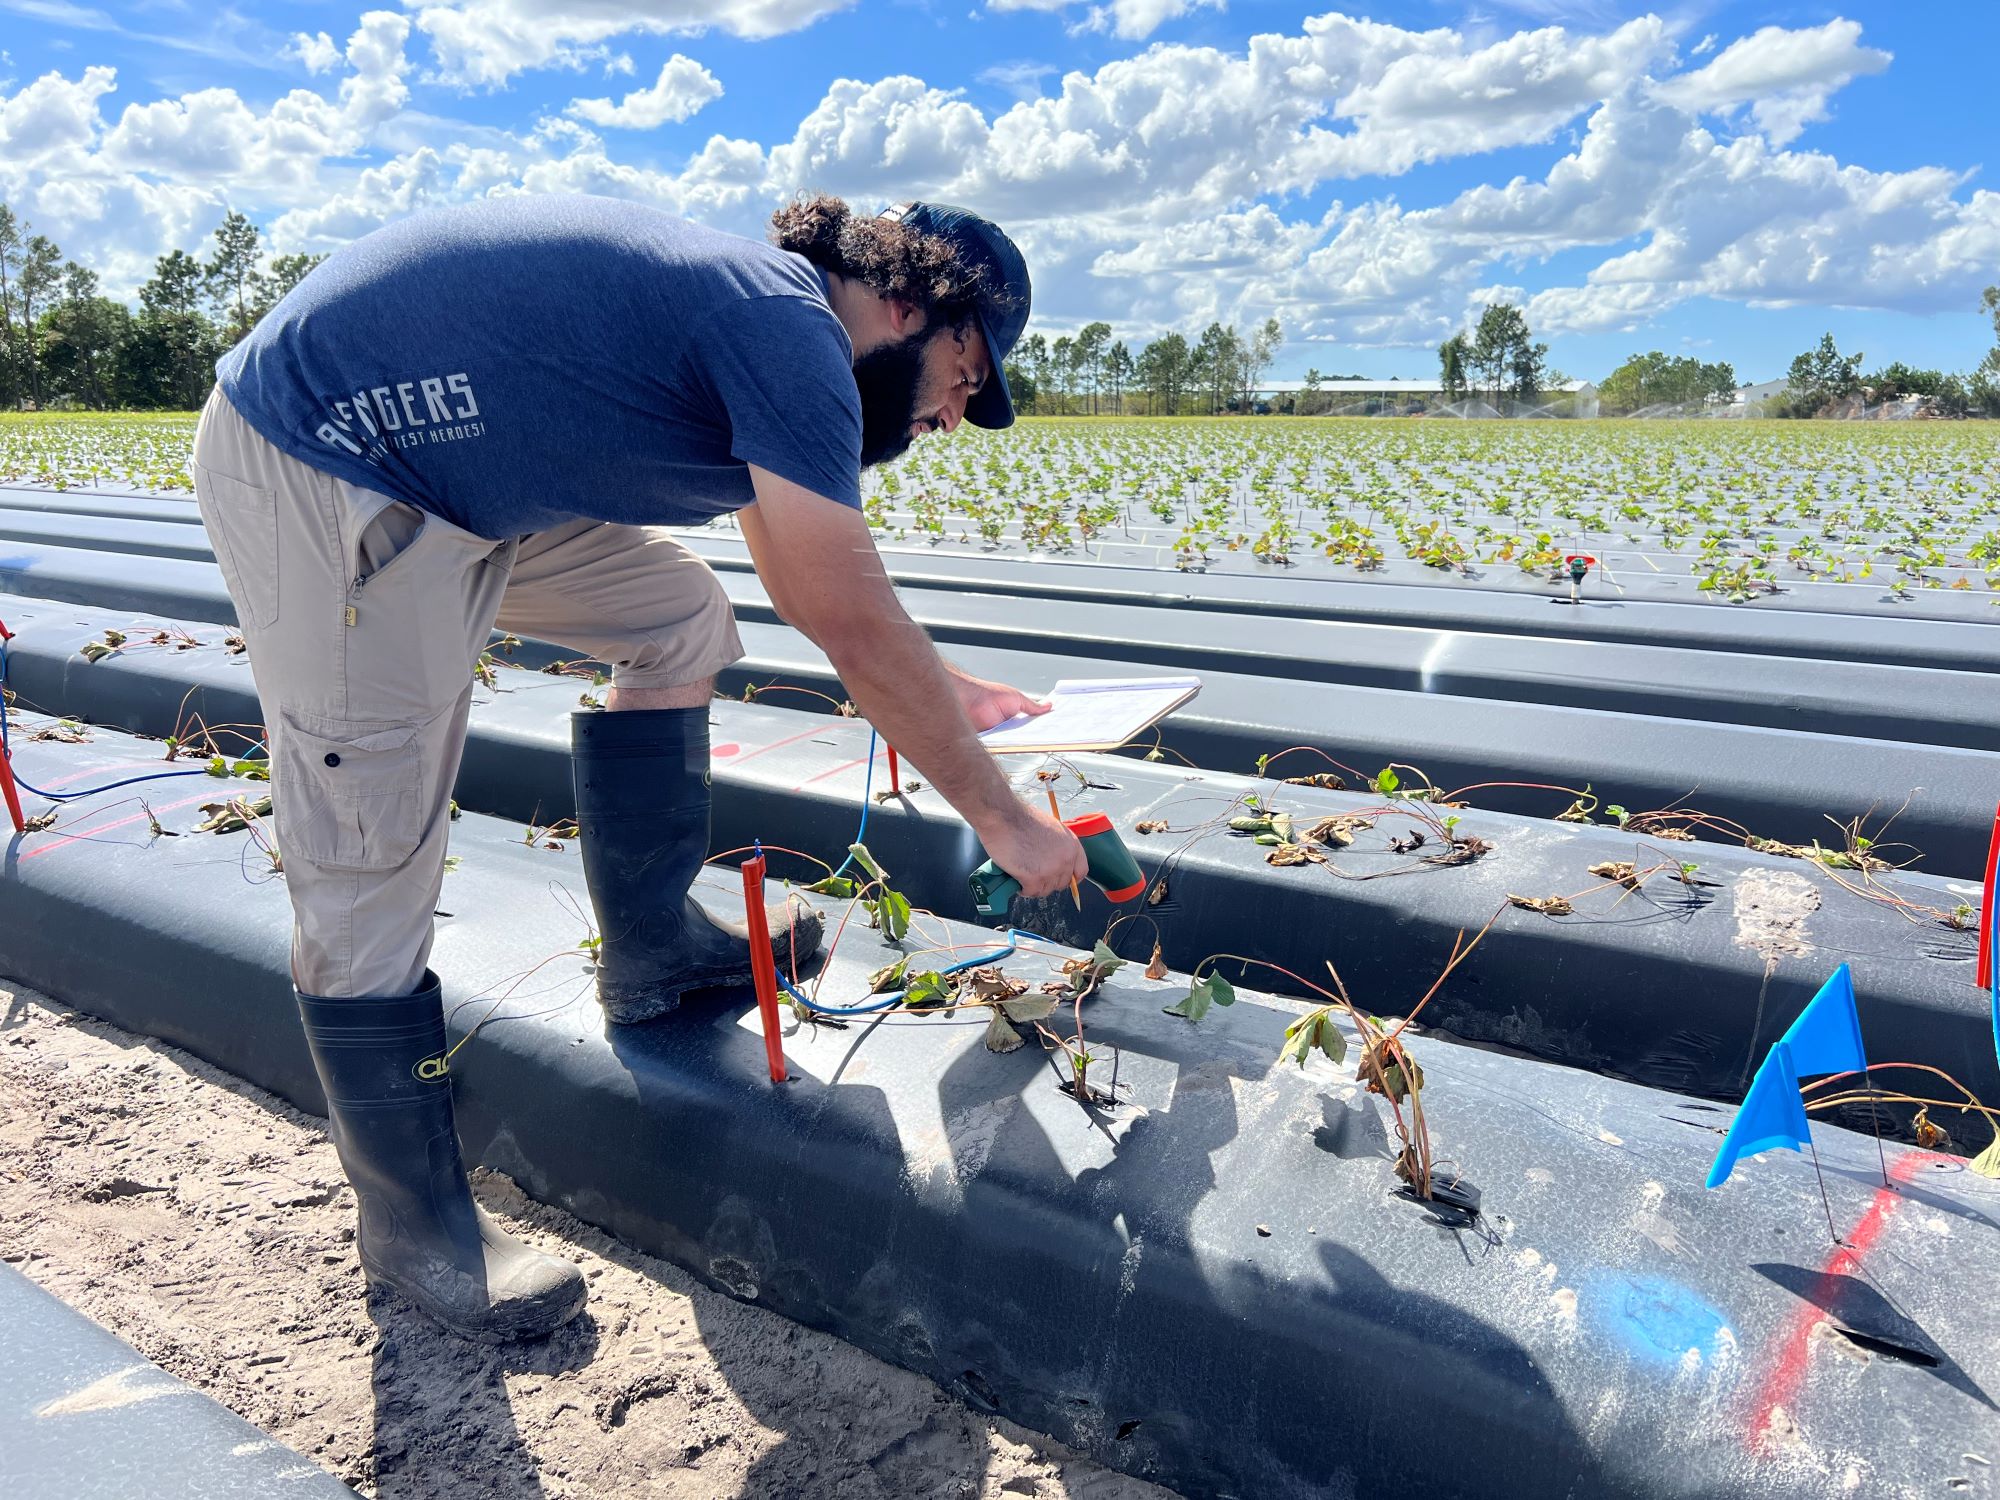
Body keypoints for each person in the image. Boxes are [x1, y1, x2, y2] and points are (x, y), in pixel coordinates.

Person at [193, 192, 1088, 1343]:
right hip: (328, 461)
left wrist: (948, 694)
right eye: (968, 376)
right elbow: (847, 621)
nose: (957, 415)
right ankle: (411, 1224)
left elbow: (811, 579)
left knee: (676, 617)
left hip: (460, 486)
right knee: (368, 833)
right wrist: (1007, 824)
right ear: (912, 302)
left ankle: (654, 952)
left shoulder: (778, 329)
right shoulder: (787, 326)